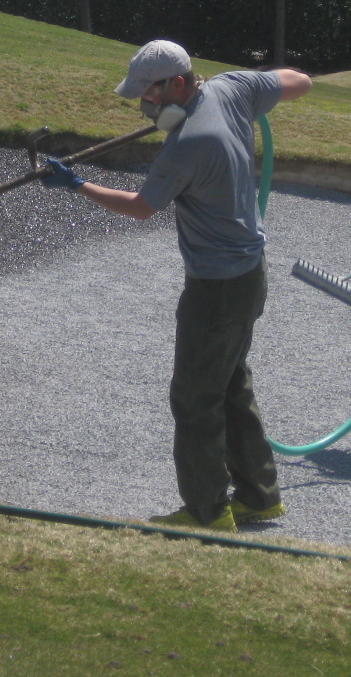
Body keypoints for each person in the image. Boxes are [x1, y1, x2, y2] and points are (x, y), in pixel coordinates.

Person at [39, 39, 312, 531]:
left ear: (180, 83)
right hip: (250, 276)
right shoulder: (233, 88)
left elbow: (142, 206)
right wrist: (256, 90)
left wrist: (77, 185)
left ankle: (206, 512)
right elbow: (301, 82)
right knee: (229, 384)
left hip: (216, 288)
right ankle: (259, 495)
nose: (147, 106)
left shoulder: (186, 146)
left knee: (194, 398)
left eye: (152, 95)